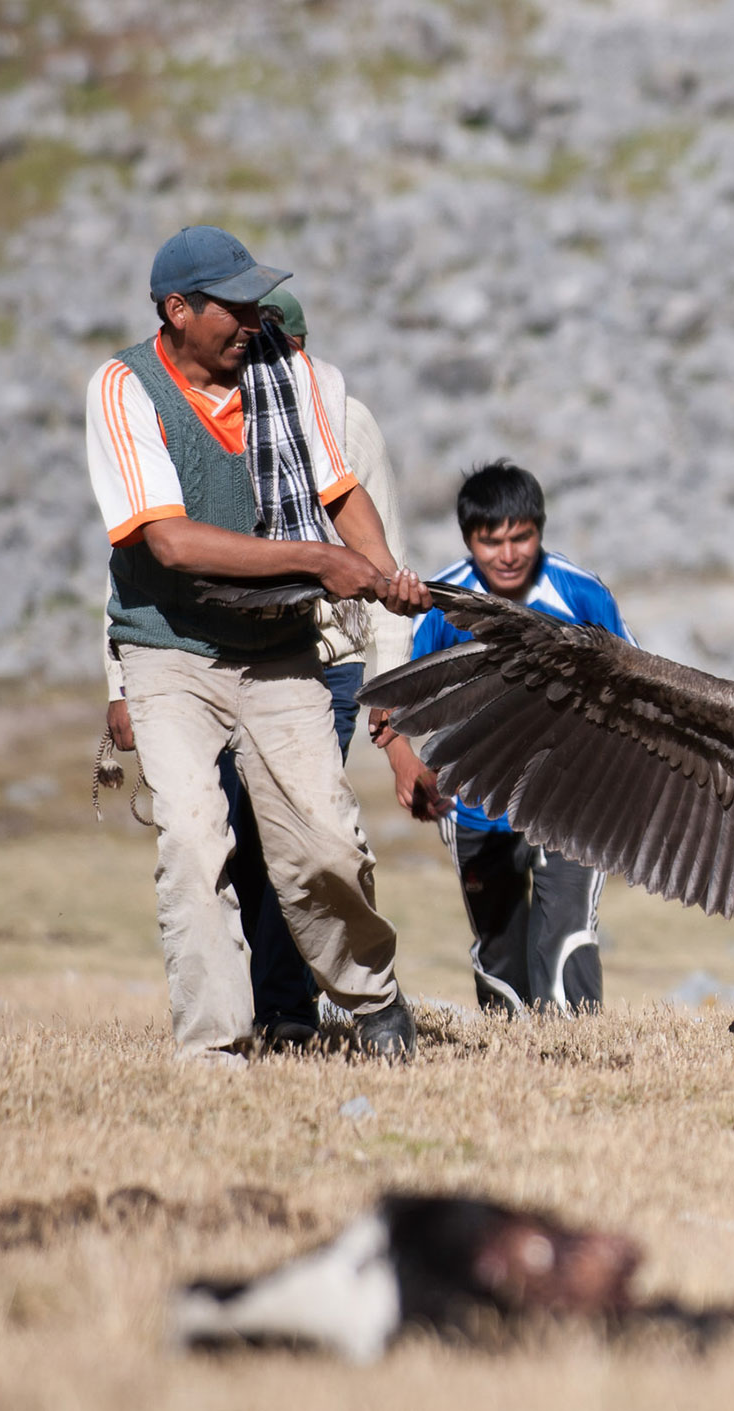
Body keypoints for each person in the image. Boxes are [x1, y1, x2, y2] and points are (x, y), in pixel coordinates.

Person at [84, 225, 429, 1063]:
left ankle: (371, 995)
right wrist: (321, 559)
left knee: (325, 845)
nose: (251, 319)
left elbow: (338, 489)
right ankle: (214, 1050)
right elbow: (168, 542)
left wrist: (386, 573)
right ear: (177, 310)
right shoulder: (124, 388)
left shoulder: (290, 371)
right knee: (196, 841)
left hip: (278, 649)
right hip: (170, 652)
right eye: (233, 306)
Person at [375, 461, 630, 1015]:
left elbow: (634, 691)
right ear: (469, 541)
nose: (509, 554)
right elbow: (389, 699)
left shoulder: (583, 595)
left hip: (573, 802)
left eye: (522, 537)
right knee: (499, 953)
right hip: (471, 803)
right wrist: (404, 762)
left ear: (540, 530)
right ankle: (510, 1065)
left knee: (566, 937)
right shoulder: (444, 603)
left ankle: (578, 1060)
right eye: (492, 542)